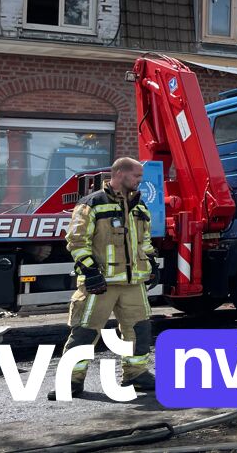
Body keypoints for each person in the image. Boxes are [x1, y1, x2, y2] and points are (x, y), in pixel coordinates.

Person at [50, 157, 158, 400]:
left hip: (133, 284)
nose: (140, 181)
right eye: (136, 176)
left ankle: (136, 374)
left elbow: (145, 241)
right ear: (119, 174)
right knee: (85, 332)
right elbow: (76, 242)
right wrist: (90, 273)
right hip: (100, 284)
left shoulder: (140, 206)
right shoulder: (92, 204)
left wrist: (151, 263)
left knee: (139, 330)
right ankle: (70, 382)